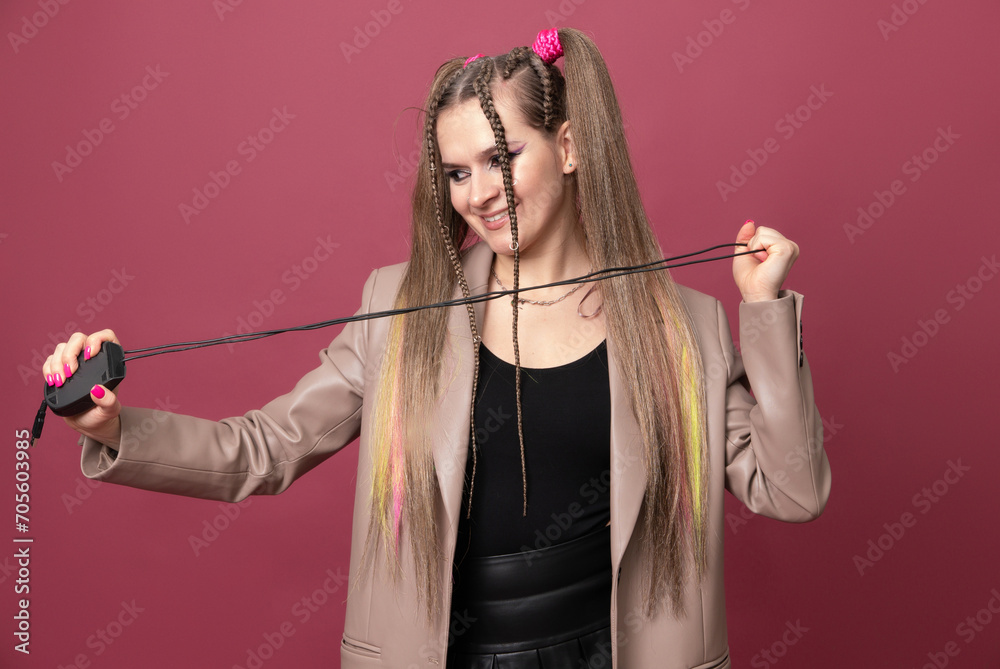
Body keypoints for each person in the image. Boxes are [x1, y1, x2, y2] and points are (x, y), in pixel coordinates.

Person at [42, 27, 830, 669]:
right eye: (456, 172)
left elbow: (791, 491)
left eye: (501, 157)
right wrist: (115, 431)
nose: (477, 193)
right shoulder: (398, 309)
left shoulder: (681, 324)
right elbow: (261, 449)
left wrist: (763, 312)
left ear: (570, 145)